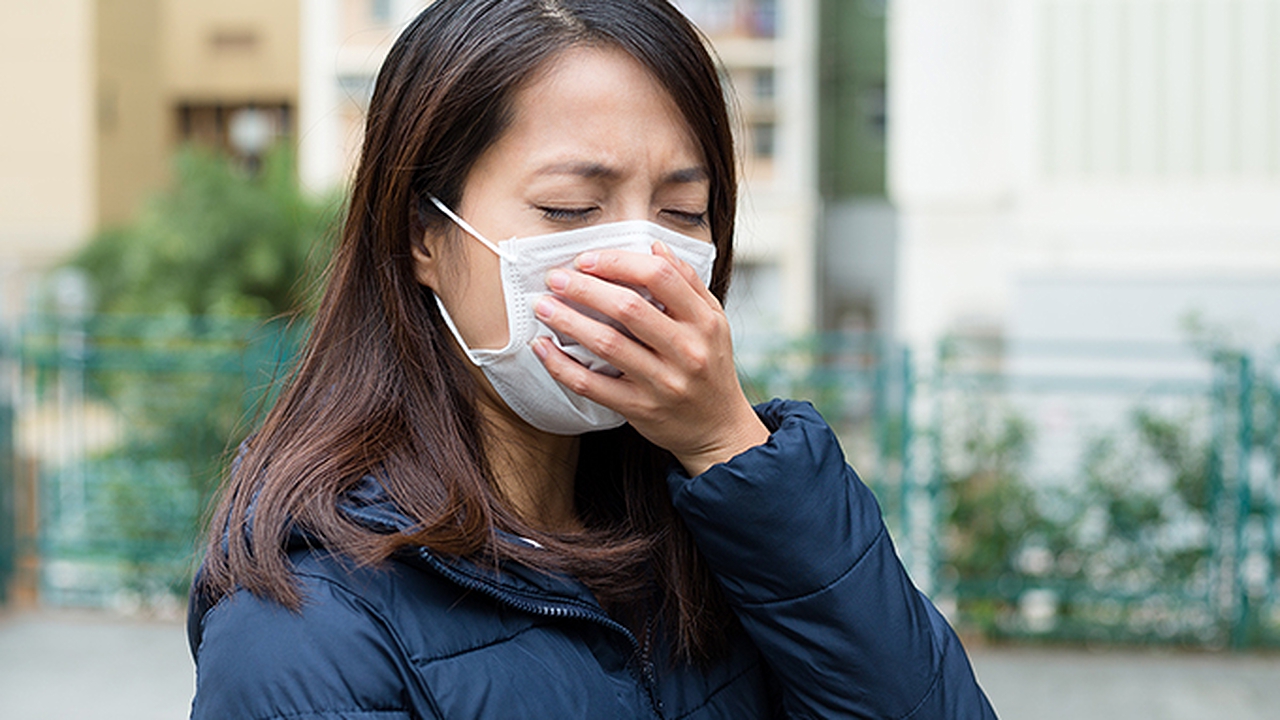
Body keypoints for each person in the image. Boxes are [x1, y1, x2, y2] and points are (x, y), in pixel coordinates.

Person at [186, 1, 997, 718]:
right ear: (422, 237)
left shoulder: (718, 535)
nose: (640, 264)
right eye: (570, 208)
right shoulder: (303, 624)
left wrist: (730, 450)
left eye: (683, 211)